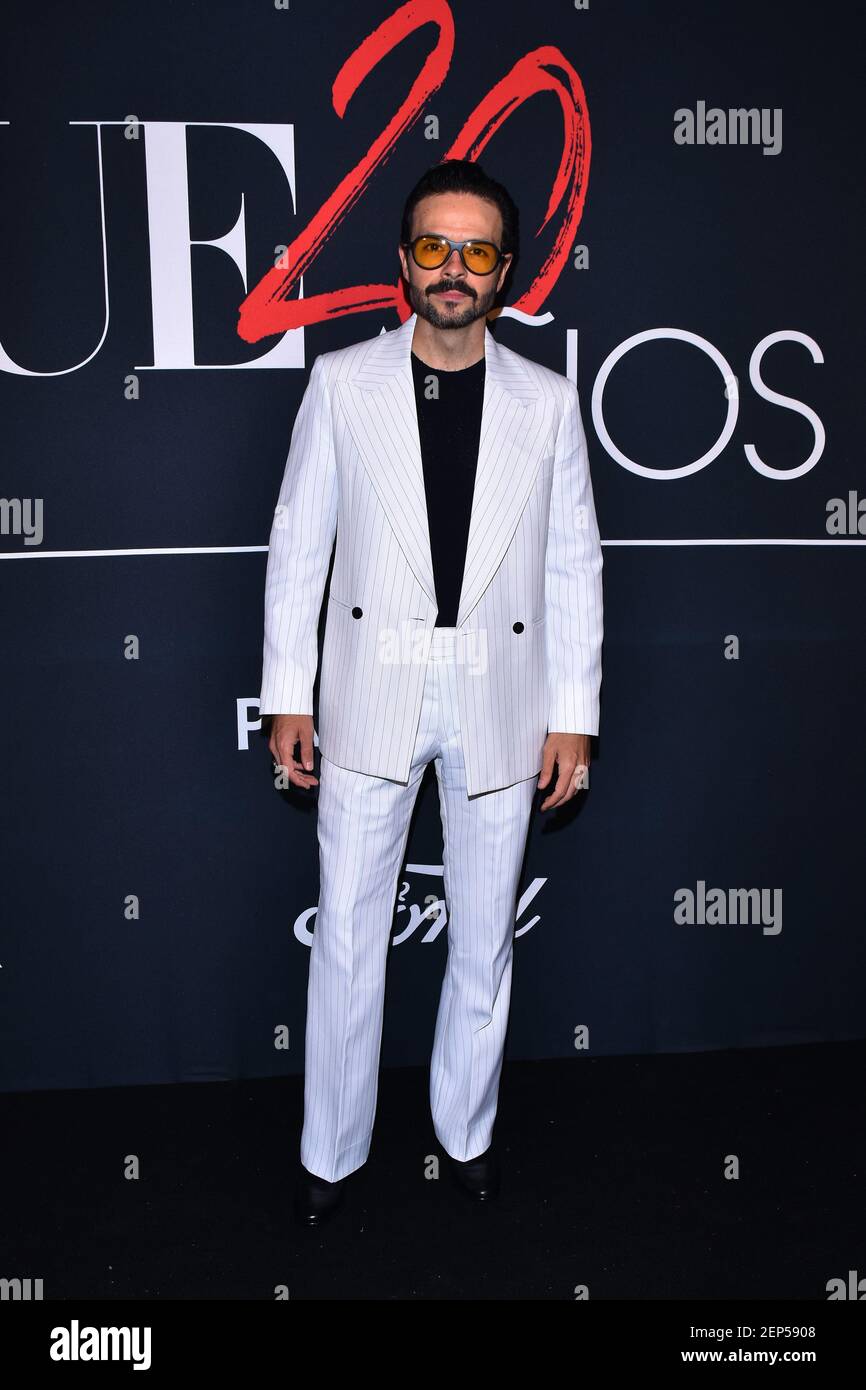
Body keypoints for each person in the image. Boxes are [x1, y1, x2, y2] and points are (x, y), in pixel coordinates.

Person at [259, 159, 604, 1226]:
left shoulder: (544, 404)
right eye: (431, 246)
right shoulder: (340, 382)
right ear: (402, 261)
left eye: (475, 250)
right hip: (371, 682)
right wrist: (286, 694)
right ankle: (332, 1156)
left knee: (482, 943)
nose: (451, 268)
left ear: (503, 271)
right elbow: (296, 548)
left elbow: (570, 566)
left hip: (498, 691)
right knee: (351, 941)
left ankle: (465, 1135)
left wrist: (572, 717)